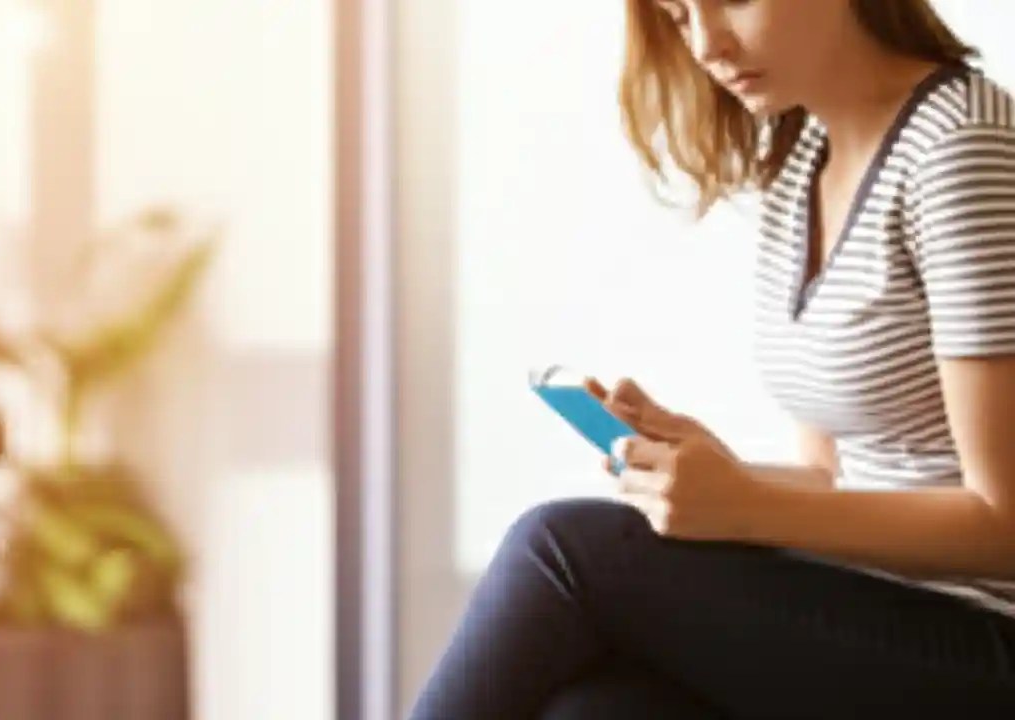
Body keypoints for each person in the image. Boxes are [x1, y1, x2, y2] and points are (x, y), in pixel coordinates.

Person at [407, 1, 1015, 718]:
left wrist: (748, 508)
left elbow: (1002, 525)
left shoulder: (959, 149)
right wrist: (719, 479)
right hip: (878, 608)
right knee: (595, 712)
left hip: (983, 640)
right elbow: (836, 477)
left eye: (730, 1)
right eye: (678, 14)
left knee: (560, 547)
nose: (705, 45)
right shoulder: (801, 159)